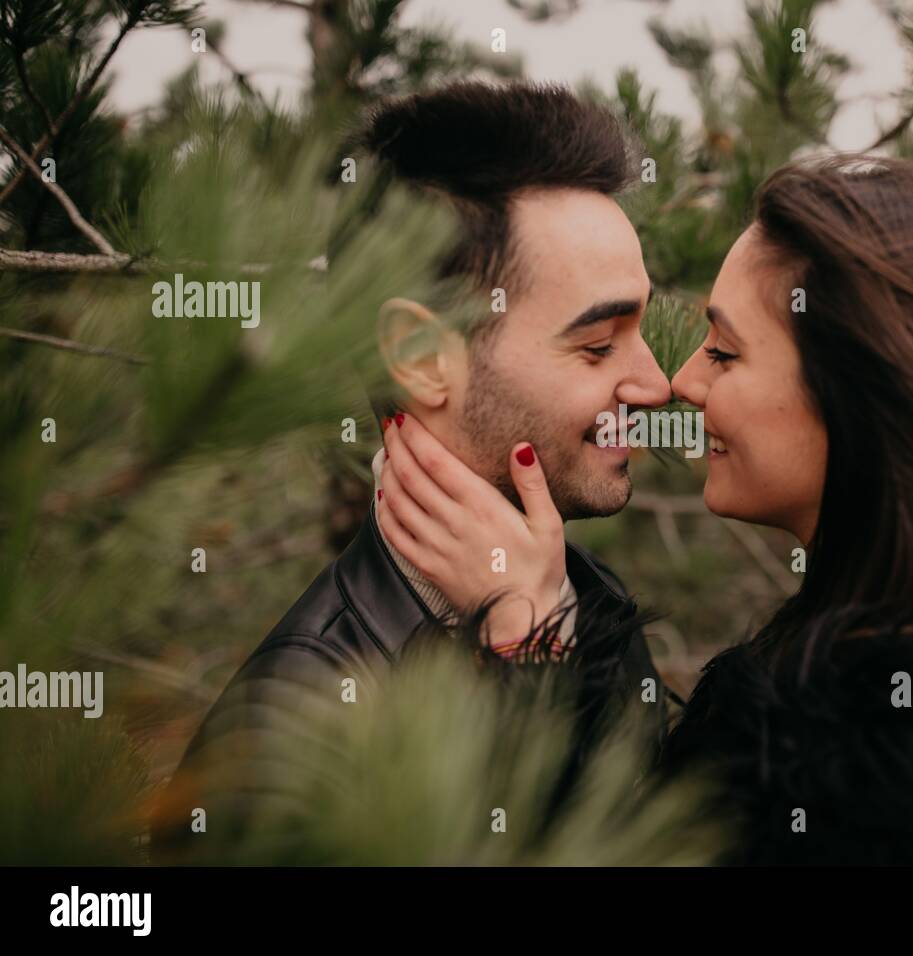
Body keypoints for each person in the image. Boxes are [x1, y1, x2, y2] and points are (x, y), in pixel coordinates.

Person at [378, 155, 913, 865]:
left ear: (865, 397)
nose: (679, 383)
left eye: (724, 352)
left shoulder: (884, 754)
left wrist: (531, 647)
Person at [150, 80, 676, 861]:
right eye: (598, 345)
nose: (655, 383)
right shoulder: (293, 730)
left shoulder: (584, 598)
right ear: (422, 355)